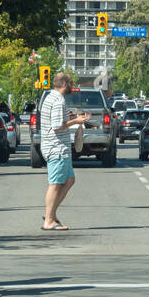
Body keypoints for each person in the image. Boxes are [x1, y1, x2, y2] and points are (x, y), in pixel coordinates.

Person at [40, 71, 90, 231]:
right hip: (56, 148)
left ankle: (52, 214)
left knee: (69, 180)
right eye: (70, 83)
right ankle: (48, 220)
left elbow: (57, 121)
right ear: (64, 84)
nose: (72, 86)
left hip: (60, 148)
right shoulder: (58, 100)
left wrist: (70, 117)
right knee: (55, 184)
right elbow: (56, 126)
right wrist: (75, 121)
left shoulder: (52, 97)